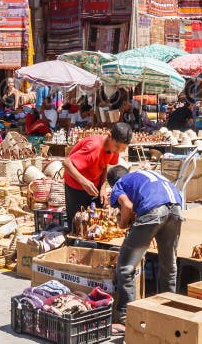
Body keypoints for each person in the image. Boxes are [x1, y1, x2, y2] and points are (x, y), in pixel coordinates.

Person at [107, 165, 183, 331]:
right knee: (168, 265)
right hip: (176, 207)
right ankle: (169, 311)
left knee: (126, 267)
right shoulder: (144, 175)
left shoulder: (119, 185)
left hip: (153, 210)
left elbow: (126, 206)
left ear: (112, 183)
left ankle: (125, 317)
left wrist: (124, 223)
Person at [62, 122, 132, 225]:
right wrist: (84, 182)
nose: (118, 151)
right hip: (75, 185)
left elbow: (103, 165)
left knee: (95, 220)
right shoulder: (93, 147)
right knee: (77, 222)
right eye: (117, 147)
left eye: (122, 149)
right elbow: (66, 163)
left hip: (93, 184)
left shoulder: (113, 150)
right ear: (109, 136)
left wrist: (102, 187)